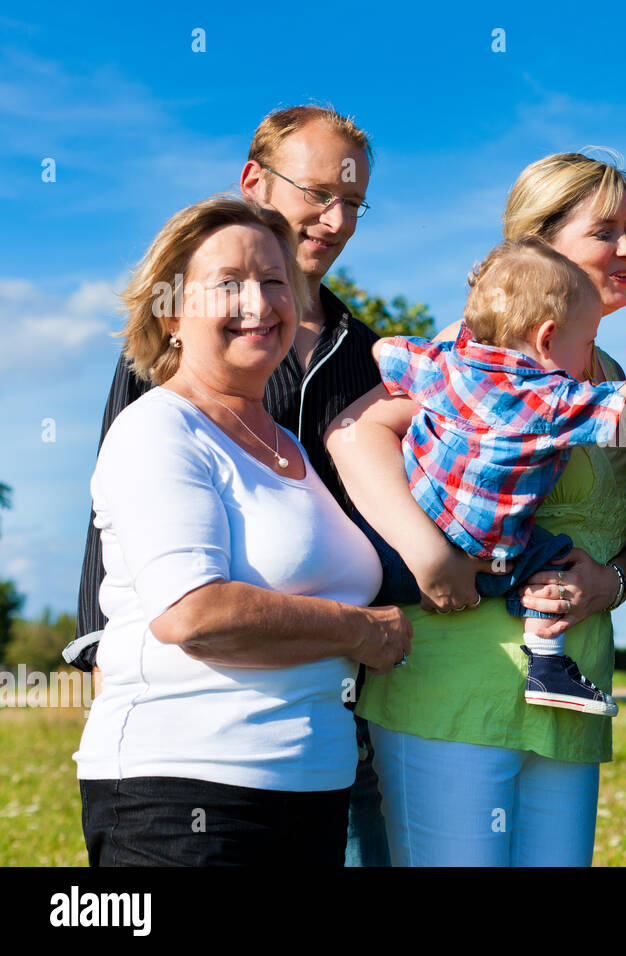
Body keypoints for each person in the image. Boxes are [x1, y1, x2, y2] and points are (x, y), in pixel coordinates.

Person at [66, 105, 400, 866]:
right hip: (189, 776)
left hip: (321, 757)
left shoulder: (363, 365)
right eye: (319, 192)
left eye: (354, 202)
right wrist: (101, 653)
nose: (337, 218)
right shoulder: (162, 413)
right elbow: (172, 590)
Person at [326, 152, 626, 865]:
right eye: (606, 231)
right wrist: (430, 555)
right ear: (540, 246)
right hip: (454, 679)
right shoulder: (480, 350)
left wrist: (611, 582)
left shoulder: (617, 379)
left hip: (567, 688)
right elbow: (354, 434)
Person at [370, 238, 626, 715]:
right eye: (588, 343)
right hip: (487, 550)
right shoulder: (552, 399)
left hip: (412, 527)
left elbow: (386, 352)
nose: (591, 357)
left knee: (376, 596)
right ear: (547, 339)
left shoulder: (446, 363)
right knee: (552, 558)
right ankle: (547, 665)